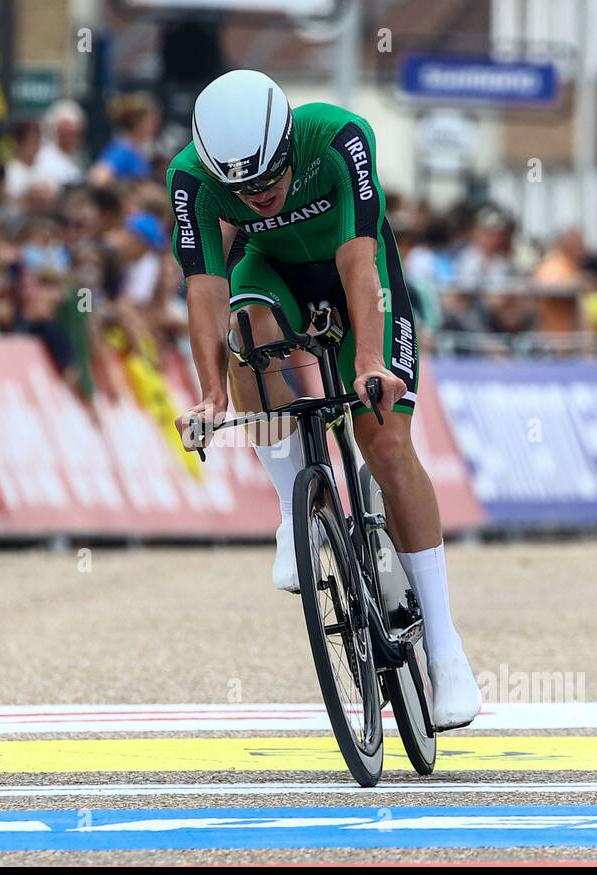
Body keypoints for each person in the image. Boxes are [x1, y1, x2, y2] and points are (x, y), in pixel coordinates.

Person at [166, 69, 480, 730]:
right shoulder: (190, 179)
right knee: (246, 327)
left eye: (270, 180)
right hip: (272, 273)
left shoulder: (341, 138)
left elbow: (359, 263)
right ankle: (294, 511)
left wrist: (369, 361)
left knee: (385, 443)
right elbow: (204, 290)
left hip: (353, 273)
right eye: (241, 190)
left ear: (287, 146)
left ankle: (447, 652)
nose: (258, 197)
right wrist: (210, 395)